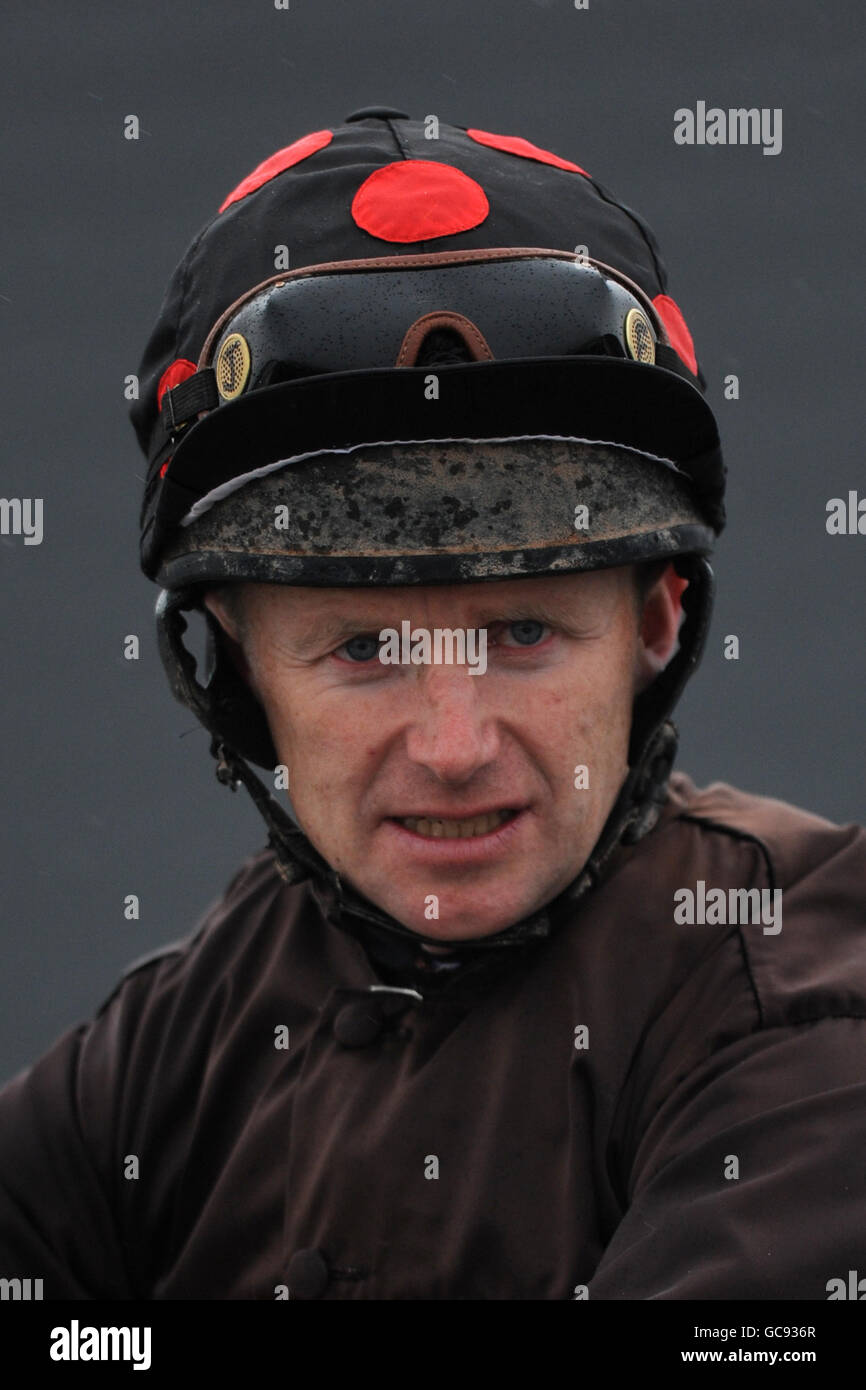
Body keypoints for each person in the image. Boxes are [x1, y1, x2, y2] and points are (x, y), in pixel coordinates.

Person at [1, 107, 864, 1302]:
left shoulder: (804, 1010)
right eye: (361, 646)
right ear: (235, 667)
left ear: (654, 623)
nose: (454, 749)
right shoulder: (203, 1006)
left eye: (524, 633)